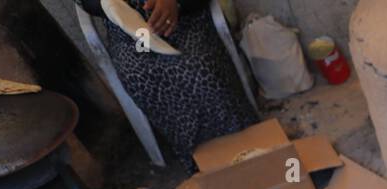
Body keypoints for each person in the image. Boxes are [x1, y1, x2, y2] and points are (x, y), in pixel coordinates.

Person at [74, 0, 257, 169]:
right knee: (140, 74)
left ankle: (244, 144)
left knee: (199, 66)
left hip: (185, 17)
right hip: (137, 34)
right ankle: (198, 159)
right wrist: (115, 6)